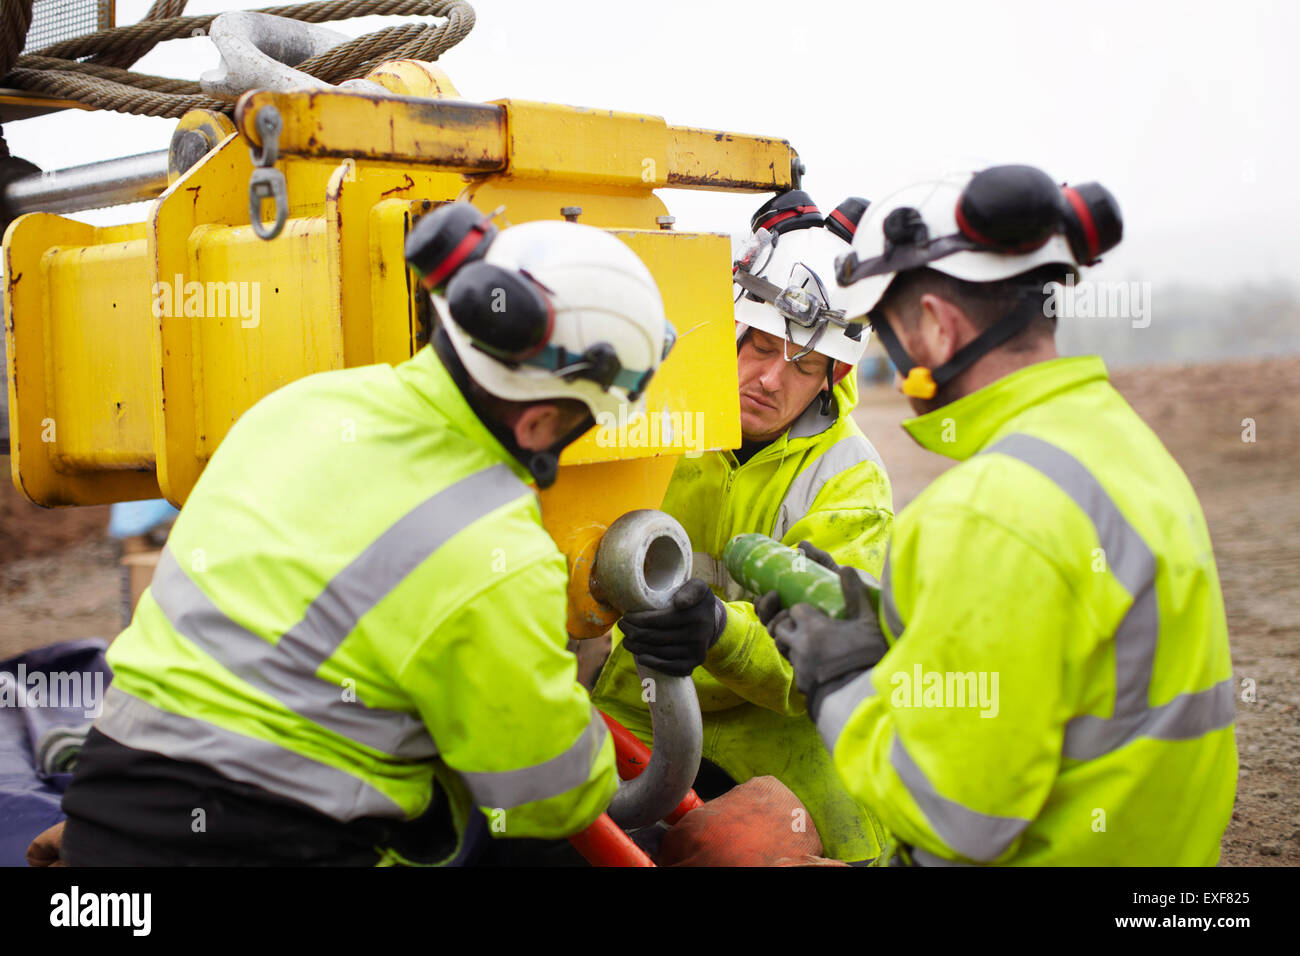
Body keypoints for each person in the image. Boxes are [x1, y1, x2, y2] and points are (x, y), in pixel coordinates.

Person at [58, 204, 676, 866]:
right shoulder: (495, 554)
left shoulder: (300, 406)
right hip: (271, 846)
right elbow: (541, 797)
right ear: (540, 424)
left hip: (104, 812)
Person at [760, 166, 1237, 865]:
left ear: (934, 326)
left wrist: (842, 685)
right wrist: (898, 640)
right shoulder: (1128, 447)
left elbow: (954, 816)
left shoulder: (983, 512)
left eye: (885, 334)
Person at [591, 191, 895, 862]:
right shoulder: (659, 426)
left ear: (832, 376)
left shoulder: (850, 480)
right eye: (759, 345)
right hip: (640, 711)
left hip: (778, 747)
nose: (768, 378)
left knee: (730, 850)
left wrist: (718, 634)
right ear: (729, 331)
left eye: (803, 364)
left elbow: (823, 656)